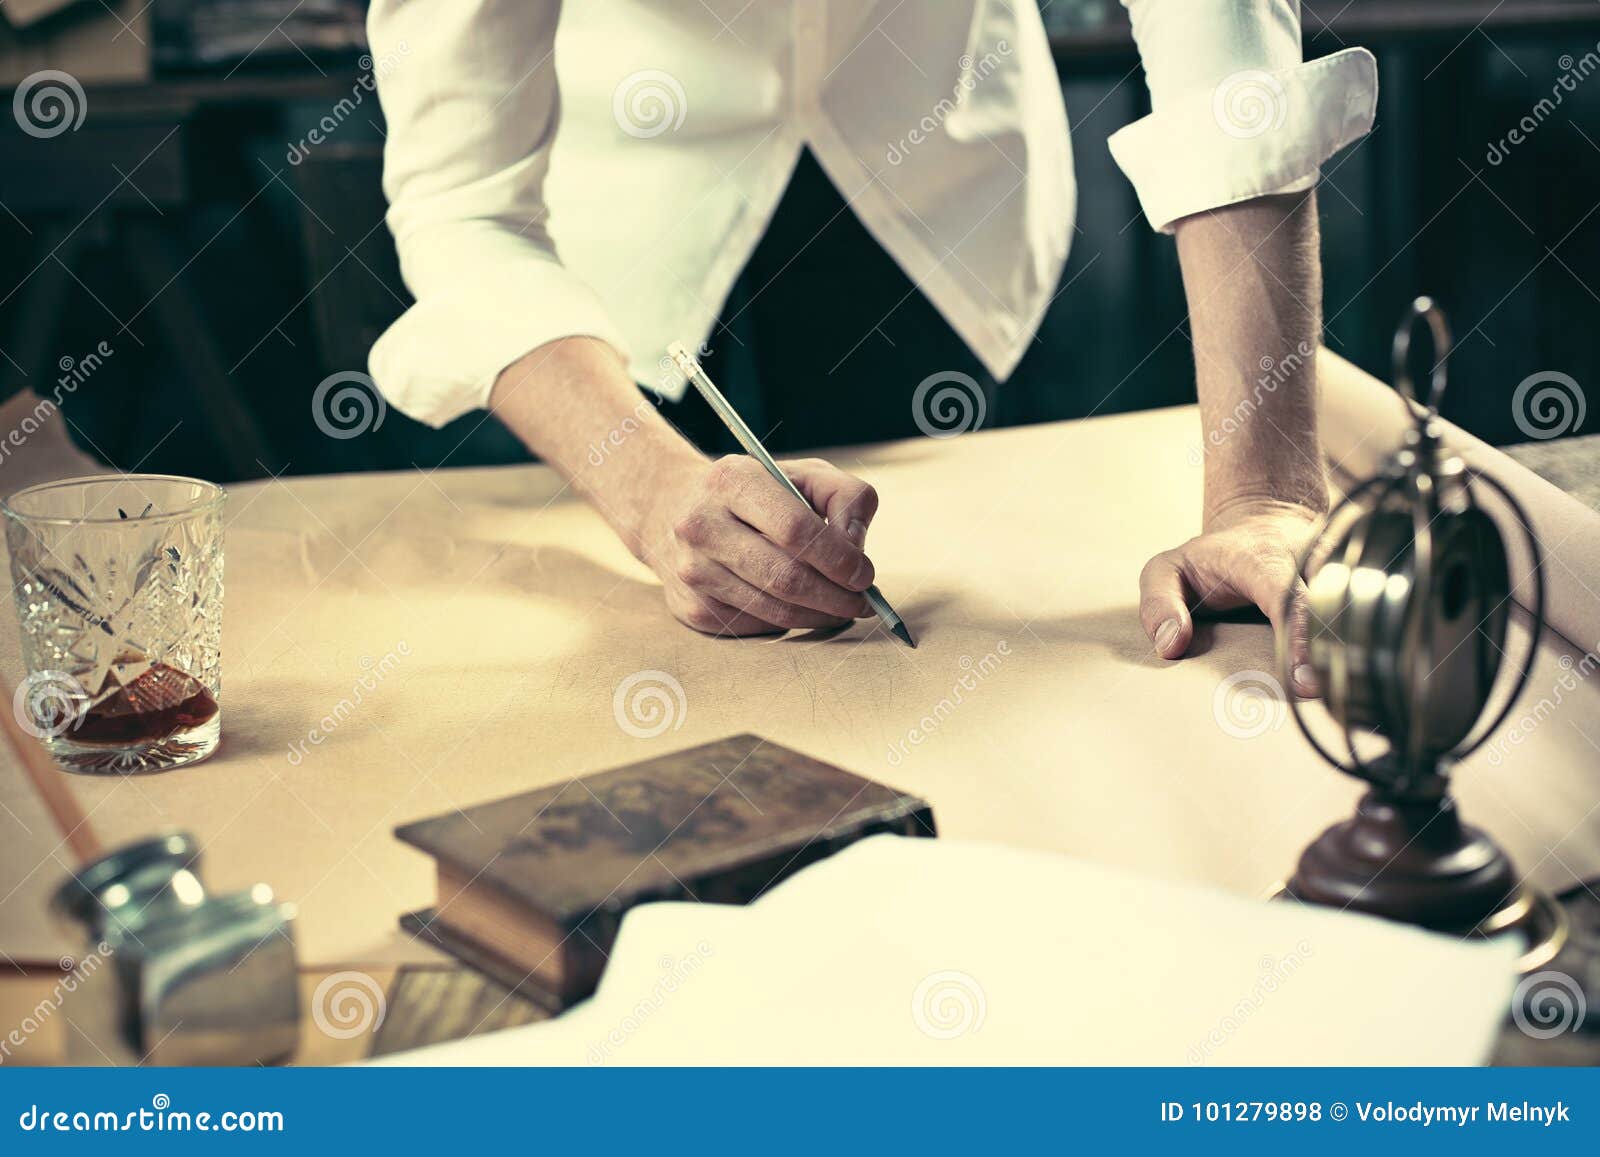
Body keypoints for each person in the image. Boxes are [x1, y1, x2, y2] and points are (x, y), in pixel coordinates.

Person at [365, 1, 1375, 695]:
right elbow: (464, 208)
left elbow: (1223, 64)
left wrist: (1264, 496)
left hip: (960, 225)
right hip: (612, 284)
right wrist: (646, 489)